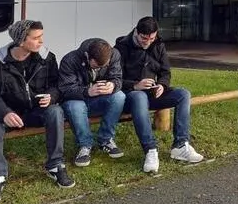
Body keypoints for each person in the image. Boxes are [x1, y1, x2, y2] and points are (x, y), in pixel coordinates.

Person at [0, 20, 74, 204]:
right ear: (21, 41)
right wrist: (4, 113)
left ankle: (56, 165)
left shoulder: (48, 59)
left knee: (55, 111)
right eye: (36, 38)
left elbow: (57, 86)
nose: (41, 41)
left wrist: (51, 97)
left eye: (42, 36)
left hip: (37, 111)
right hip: (10, 114)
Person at [115, 16, 205, 173]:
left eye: (151, 38)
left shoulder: (158, 45)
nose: (148, 42)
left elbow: (165, 72)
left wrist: (162, 85)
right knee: (139, 96)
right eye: (144, 38)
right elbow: (114, 79)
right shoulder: (121, 47)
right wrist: (135, 85)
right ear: (136, 32)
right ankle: (150, 150)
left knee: (183, 94)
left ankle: (180, 146)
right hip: (129, 95)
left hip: (152, 94)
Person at [58, 39, 126, 167]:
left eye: (104, 66)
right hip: (76, 100)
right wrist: (87, 91)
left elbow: (117, 78)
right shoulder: (69, 60)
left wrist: (113, 85)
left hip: (98, 100)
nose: (100, 69)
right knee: (75, 106)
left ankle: (105, 140)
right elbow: (65, 90)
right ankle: (85, 145)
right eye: (96, 66)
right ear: (88, 56)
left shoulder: (114, 54)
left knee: (119, 96)